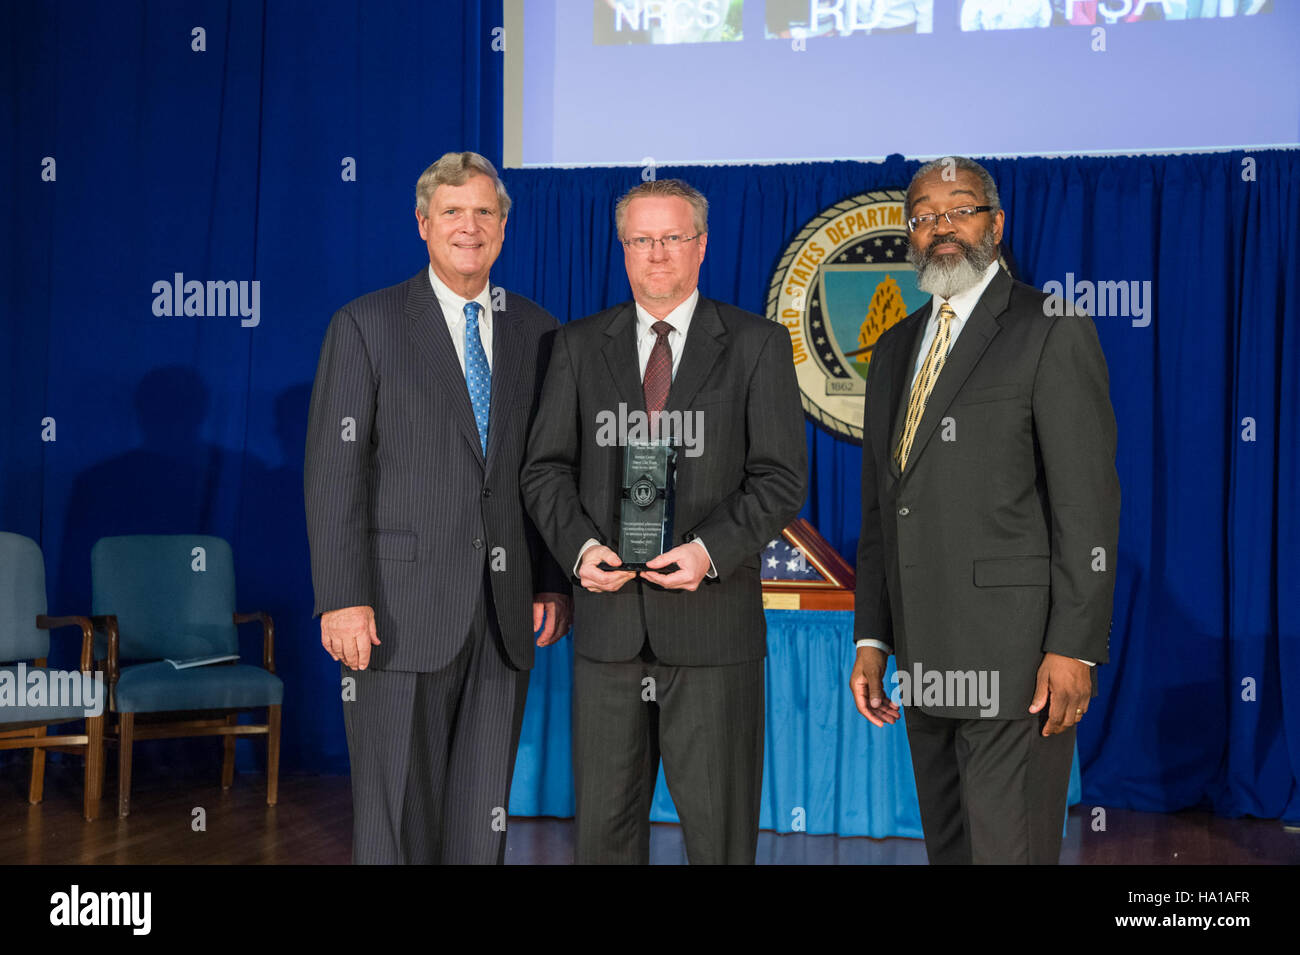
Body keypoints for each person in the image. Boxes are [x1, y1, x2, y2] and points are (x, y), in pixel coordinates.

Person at [521, 178, 807, 864]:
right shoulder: (576, 346)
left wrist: (709, 551)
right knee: (604, 839)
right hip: (610, 632)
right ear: (622, 248)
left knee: (720, 839)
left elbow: (781, 479)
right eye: (641, 239)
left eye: (672, 237)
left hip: (713, 633)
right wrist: (579, 549)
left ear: (701, 245)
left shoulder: (757, 344)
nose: (656, 253)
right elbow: (545, 469)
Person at [850, 156, 1120, 864]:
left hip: (1019, 663)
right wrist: (872, 638)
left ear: (995, 224)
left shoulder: (1049, 326)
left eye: (959, 209)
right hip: (923, 658)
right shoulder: (894, 348)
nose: (941, 227)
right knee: (952, 852)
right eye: (923, 216)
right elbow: (883, 510)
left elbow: (1087, 505)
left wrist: (1074, 646)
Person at [304, 151, 571, 864]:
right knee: (395, 820)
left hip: (503, 614)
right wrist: (342, 598)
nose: (469, 226)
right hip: (393, 613)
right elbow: (334, 472)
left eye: (484, 211)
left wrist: (551, 579)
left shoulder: (539, 330)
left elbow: (548, 470)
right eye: (452, 211)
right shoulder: (366, 324)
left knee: (482, 822)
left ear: (504, 227)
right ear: (423, 223)